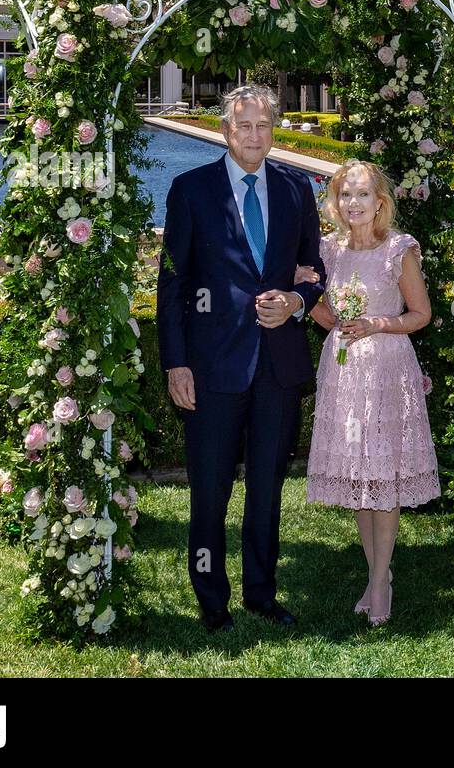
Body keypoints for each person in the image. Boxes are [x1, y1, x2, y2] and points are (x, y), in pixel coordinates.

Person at [156, 85, 327, 632]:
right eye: (243, 126)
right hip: (210, 370)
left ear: (273, 129)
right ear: (226, 131)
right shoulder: (190, 190)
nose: (254, 136)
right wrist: (175, 363)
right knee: (209, 490)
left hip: (277, 367)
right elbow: (172, 286)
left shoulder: (298, 190)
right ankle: (211, 599)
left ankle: (261, 592)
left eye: (263, 126)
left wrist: (297, 302)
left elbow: (313, 269)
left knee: (267, 488)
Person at [299, 159, 440, 626]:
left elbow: (421, 314)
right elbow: (313, 304)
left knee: (383, 476)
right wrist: (334, 322)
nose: (353, 203)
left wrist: (379, 323)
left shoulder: (398, 250)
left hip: (386, 370)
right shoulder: (328, 251)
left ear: (380, 202)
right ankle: (375, 573)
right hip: (342, 374)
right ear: (334, 202)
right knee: (361, 480)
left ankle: (381, 581)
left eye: (362, 194)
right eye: (345, 194)